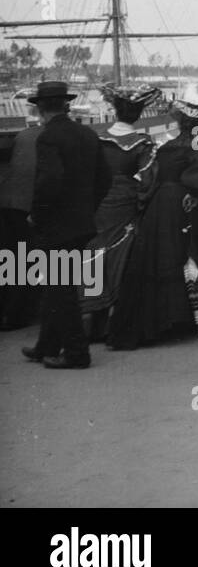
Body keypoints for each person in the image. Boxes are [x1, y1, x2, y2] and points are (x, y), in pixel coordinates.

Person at [107, 90, 198, 349]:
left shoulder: (166, 144)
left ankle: (156, 320)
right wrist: (191, 190)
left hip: (158, 204)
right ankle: (181, 318)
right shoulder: (197, 140)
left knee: (157, 257)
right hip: (178, 202)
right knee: (184, 254)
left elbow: (153, 176)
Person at [20, 82, 110, 369]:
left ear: (39, 108)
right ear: (66, 105)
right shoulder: (86, 134)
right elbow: (104, 179)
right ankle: (46, 345)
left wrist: (38, 214)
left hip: (56, 225)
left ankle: (76, 353)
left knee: (60, 290)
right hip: (81, 223)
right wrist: (87, 208)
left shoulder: (48, 138)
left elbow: (48, 182)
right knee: (58, 286)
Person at [80, 83, 161, 342]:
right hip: (125, 206)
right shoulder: (142, 143)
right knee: (119, 259)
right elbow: (149, 182)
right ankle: (111, 323)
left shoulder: (96, 137)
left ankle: (87, 319)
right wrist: (139, 201)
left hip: (97, 204)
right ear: (137, 114)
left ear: (115, 110)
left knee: (92, 256)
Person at [0, 122, 42, 331]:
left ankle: (9, 312)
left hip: (9, 204)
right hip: (30, 207)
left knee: (10, 258)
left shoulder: (24, 136)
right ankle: (18, 314)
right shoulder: (49, 137)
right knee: (29, 261)